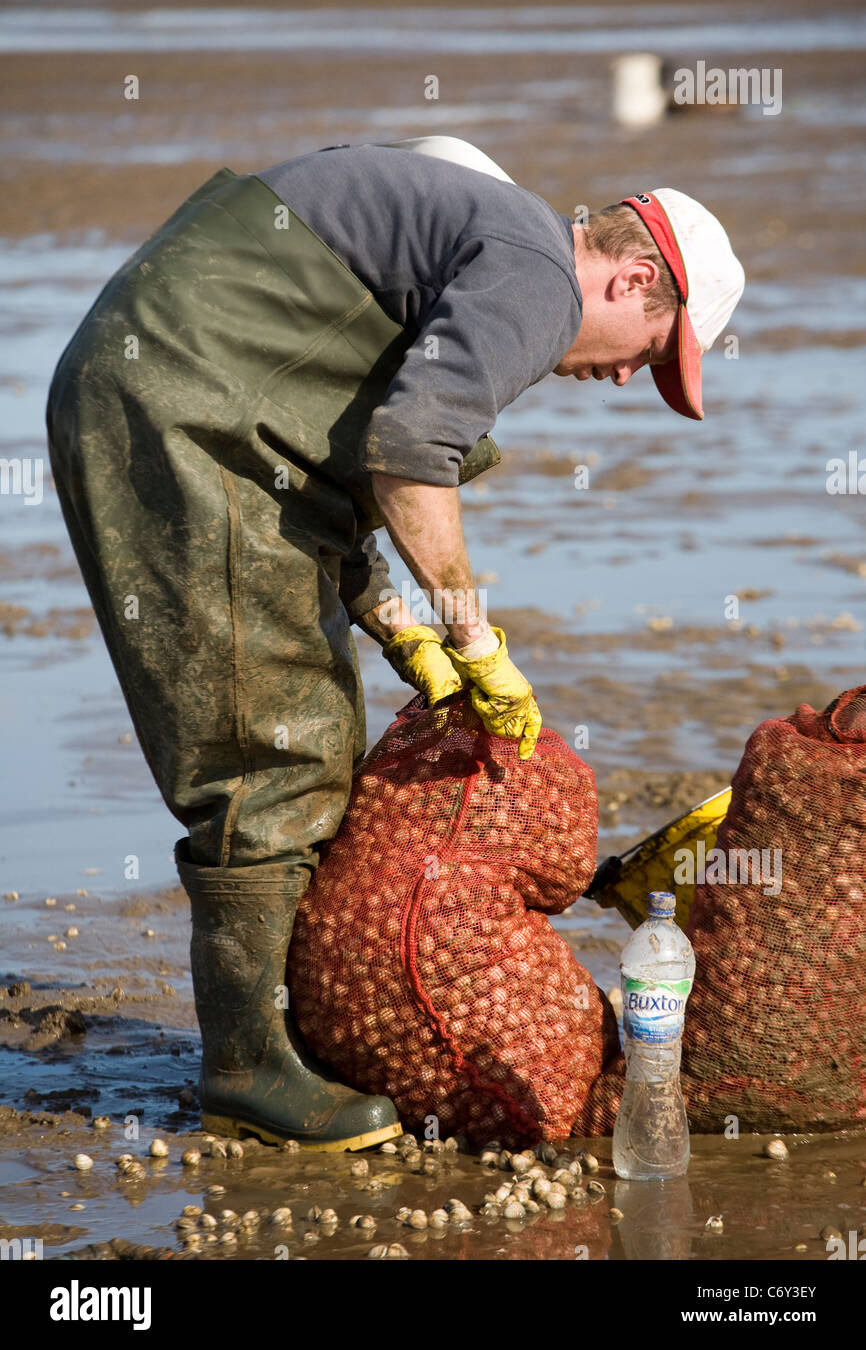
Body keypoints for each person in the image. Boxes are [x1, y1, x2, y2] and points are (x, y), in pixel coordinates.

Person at [45, 137, 744, 1150]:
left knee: (299, 712)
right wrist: (476, 637)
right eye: (652, 349)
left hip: (180, 400)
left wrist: (403, 635)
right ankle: (247, 1067)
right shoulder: (539, 273)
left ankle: (283, 1038)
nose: (629, 378)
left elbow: (327, 476)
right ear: (635, 276)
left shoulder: (479, 247)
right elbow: (413, 455)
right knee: (269, 741)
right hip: (180, 414)